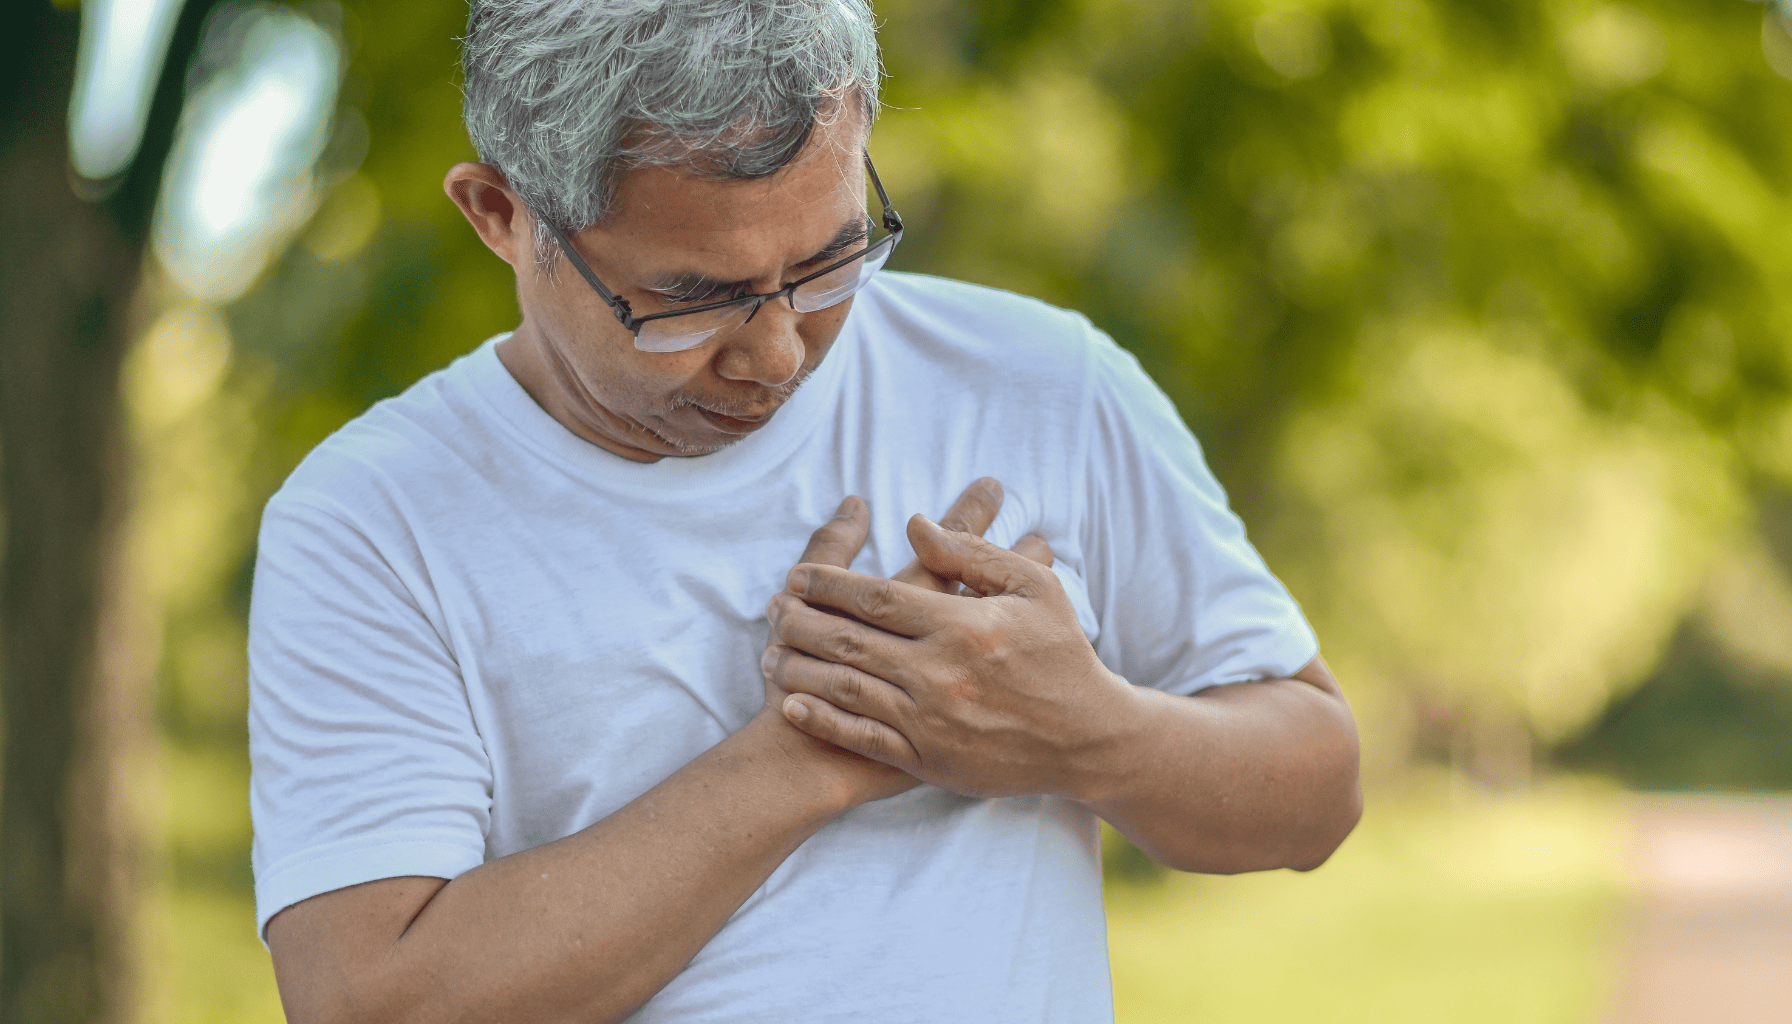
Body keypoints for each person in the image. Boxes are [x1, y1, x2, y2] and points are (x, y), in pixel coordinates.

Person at [248, 1, 1362, 1021]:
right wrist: (812, 749)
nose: (779, 355)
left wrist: (1080, 730)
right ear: (501, 215)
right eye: (692, 299)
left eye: (831, 261)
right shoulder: (371, 521)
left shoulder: (1039, 382)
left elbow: (1319, 787)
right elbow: (366, 1003)